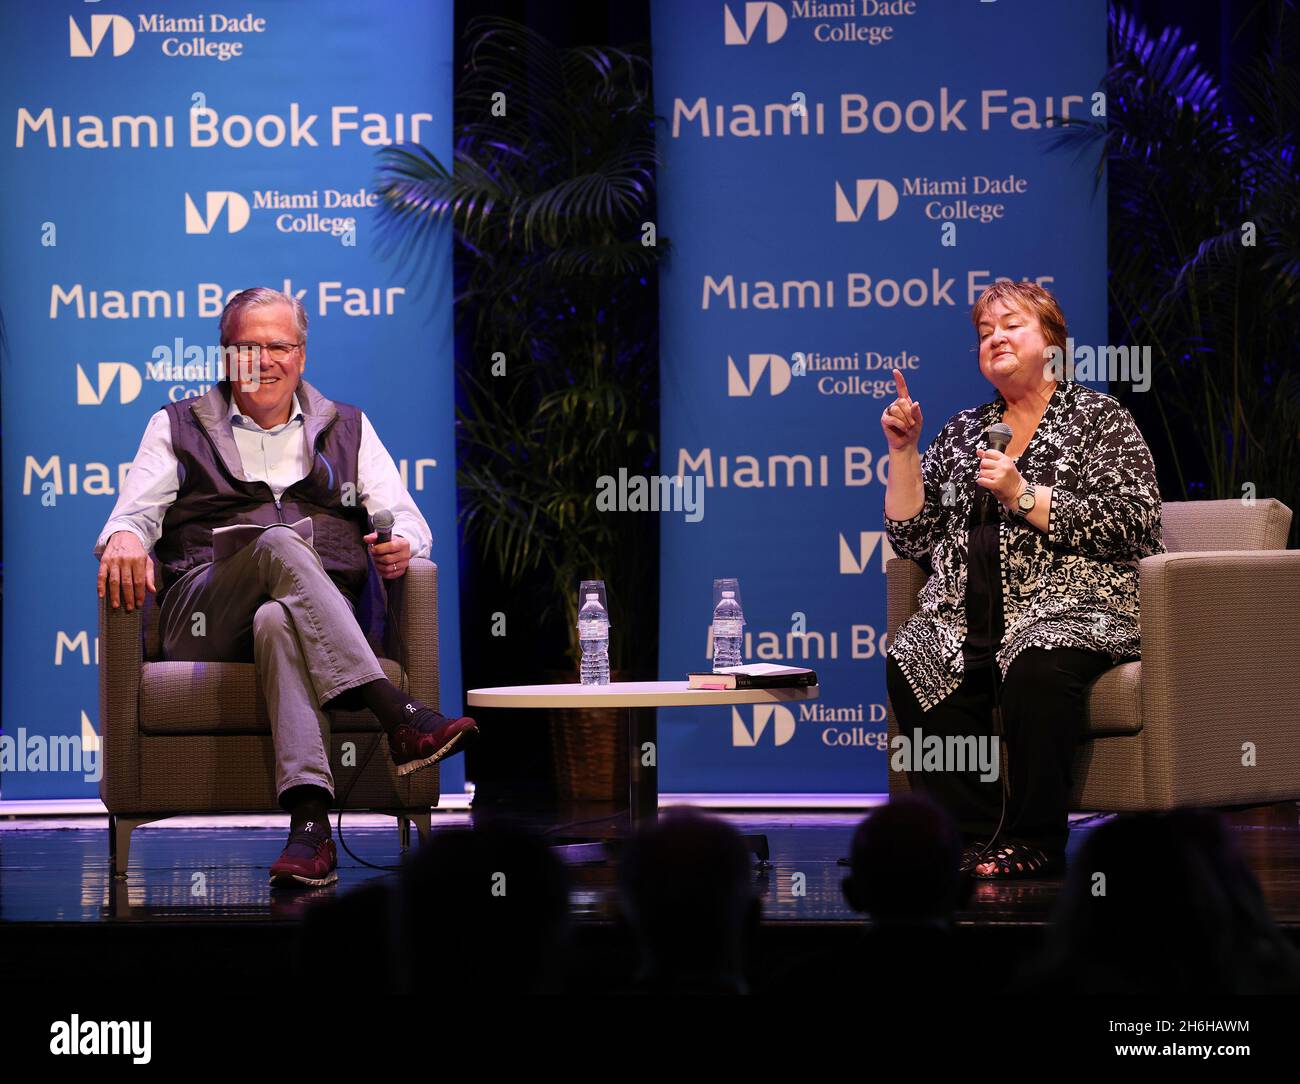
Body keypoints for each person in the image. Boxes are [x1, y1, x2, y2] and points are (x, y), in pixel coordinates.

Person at [94, 287, 477, 889]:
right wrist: (120, 537)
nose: (264, 360)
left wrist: (403, 542)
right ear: (226, 356)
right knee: (272, 541)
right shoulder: (177, 424)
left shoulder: (348, 426)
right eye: (249, 347)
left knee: (279, 620)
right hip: (205, 612)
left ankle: (309, 831)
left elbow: (407, 520)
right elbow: (132, 516)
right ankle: (394, 710)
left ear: (301, 355)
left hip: (307, 617)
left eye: (279, 346)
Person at [881, 281, 1164, 879]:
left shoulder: (1099, 420)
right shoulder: (962, 432)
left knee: (1036, 660)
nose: (996, 339)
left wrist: (1023, 493)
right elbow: (913, 538)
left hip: (1077, 607)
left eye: (1011, 325)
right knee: (912, 655)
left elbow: (1135, 523)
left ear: (1053, 344)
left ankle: (1036, 838)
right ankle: (976, 838)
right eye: (985, 333)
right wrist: (904, 452)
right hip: (968, 615)